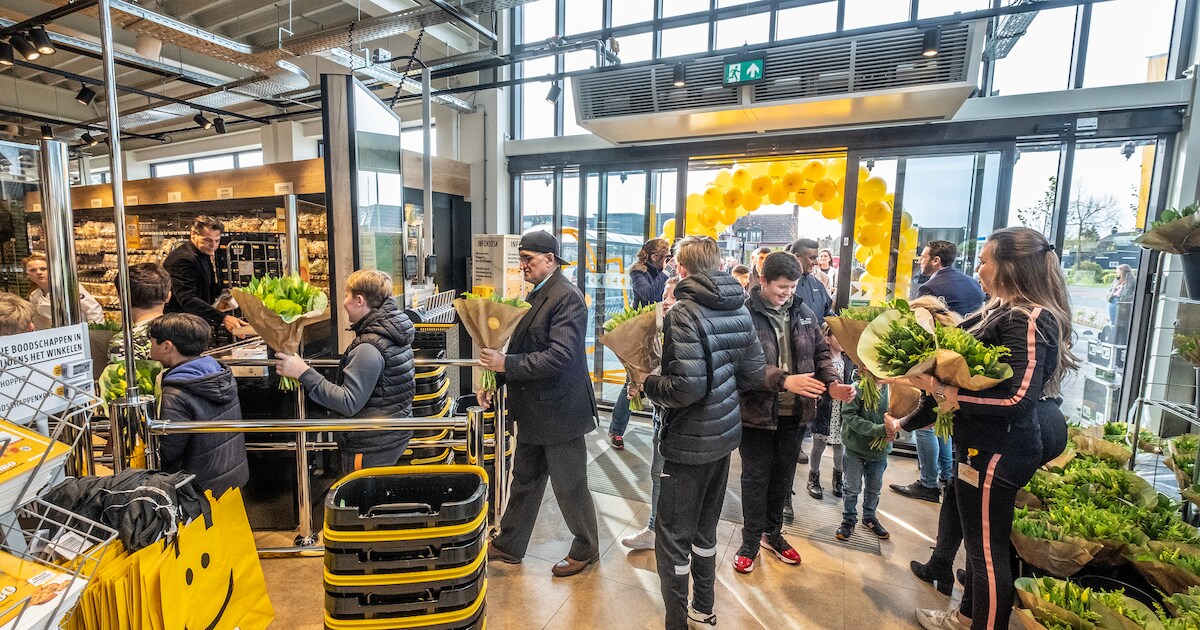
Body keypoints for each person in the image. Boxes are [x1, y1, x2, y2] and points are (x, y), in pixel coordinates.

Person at [886, 227, 1077, 630]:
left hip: (999, 452)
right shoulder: (1000, 308)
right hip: (978, 446)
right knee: (977, 551)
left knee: (986, 556)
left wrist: (941, 389)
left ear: (1011, 267)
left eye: (986, 260)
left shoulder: (1029, 317)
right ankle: (967, 615)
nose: (978, 267)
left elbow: (1016, 401)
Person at [631, 236, 765, 630]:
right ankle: (704, 610)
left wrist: (648, 382)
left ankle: (676, 620)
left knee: (672, 537)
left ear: (682, 269)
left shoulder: (684, 312)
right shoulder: (739, 306)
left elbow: (686, 388)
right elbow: (754, 374)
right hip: (724, 439)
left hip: (688, 442)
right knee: (706, 530)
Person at [478, 231, 600, 578]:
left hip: (560, 411)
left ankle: (587, 547)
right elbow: (519, 348)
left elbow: (559, 356)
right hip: (534, 408)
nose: (523, 266)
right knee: (525, 480)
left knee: (569, 485)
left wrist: (506, 366)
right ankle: (509, 545)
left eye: (528, 259)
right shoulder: (536, 294)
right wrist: (495, 380)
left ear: (550, 259)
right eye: (522, 259)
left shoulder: (567, 297)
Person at [734, 252, 854, 574]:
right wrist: (785, 380)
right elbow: (744, 368)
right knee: (755, 478)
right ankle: (749, 540)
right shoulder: (743, 314)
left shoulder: (804, 312)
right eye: (781, 287)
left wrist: (832, 384)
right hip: (756, 414)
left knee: (783, 476)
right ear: (763, 281)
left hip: (796, 414)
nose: (787, 292)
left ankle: (772, 534)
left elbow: (819, 354)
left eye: (793, 286)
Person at [276, 269, 415, 471]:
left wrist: (303, 372)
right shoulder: (392, 333)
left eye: (346, 295)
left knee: (360, 501)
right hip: (388, 437)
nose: (343, 302)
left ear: (359, 300)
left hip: (369, 446)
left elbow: (348, 402)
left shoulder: (369, 347)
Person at [891, 241, 984, 504]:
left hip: (937, 360)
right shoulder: (972, 284)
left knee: (926, 424)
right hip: (964, 362)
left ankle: (927, 482)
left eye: (923, 256)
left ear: (935, 260)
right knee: (944, 419)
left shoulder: (930, 288)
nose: (920, 260)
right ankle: (945, 474)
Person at [151, 313, 249, 497]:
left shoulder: (177, 391)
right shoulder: (219, 374)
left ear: (166, 346)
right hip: (229, 478)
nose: (150, 347)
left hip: (196, 487)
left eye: (152, 342)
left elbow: (169, 450)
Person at [621, 275, 679, 552]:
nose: (665, 303)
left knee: (670, 477)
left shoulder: (687, 334)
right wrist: (640, 385)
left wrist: (649, 381)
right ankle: (655, 529)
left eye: (672, 297)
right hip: (662, 418)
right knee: (657, 472)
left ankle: (670, 533)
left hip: (681, 423)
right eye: (665, 296)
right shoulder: (659, 332)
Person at [609, 238, 672, 450]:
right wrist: (665, 273)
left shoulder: (666, 274)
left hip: (662, 328)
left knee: (655, 379)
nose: (666, 261)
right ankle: (617, 429)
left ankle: (656, 428)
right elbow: (649, 294)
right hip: (642, 331)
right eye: (663, 257)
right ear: (653, 256)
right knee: (634, 380)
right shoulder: (638, 272)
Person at [163, 216, 247, 335]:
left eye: (217, 240)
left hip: (194, 323)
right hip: (181, 327)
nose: (213, 245)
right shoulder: (183, 259)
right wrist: (223, 318)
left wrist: (231, 293)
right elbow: (187, 299)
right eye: (208, 240)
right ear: (193, 234)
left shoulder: (202, 253)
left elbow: (207, 285)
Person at [836, 380, 892, 541]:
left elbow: (900, 418)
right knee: (851, 487)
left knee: (874, 488)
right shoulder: (857, 388)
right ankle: (848, 519)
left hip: (880, 452)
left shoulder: (893, 391)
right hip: (856, 449)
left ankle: (869, 516)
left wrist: (895, 431)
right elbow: (849, 415)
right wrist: (878, 430)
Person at [807, 325, 853, 503]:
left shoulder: (848, 361)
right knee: (818, 445)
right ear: (827, 339)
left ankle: (838, 478)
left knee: (839, 447)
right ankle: (814, 476)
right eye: (838, 337)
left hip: (842, 412)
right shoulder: (821, 362)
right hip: (825, 410)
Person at [109, 263, 171, 364]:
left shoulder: (126, 342)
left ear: (122, 299)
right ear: (168, 296)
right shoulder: (188, 330)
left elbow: (122, 378)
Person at [23, 254, 104, 324]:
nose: (39, 273)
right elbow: (39, 322)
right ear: (27, 275)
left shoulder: (68, 288)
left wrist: (93, 333)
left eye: (43, 269)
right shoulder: (34, 296)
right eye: (33, 270)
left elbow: (94, 310)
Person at [786, 238, 834, 318]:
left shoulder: (817, 284)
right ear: (797, 257)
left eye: (816, 258)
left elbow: (827, 312)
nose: (816, 263)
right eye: (812, 258)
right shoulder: (783, 284)